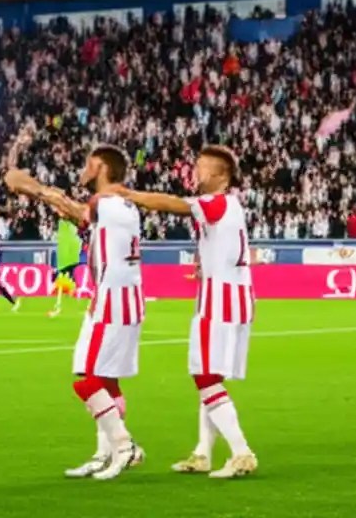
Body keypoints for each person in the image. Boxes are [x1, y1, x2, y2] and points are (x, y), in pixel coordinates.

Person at [107, 145, 258, 479]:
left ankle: (241, 452)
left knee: (204, 376)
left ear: (222, 176)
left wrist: (129, 193)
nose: (196, 172)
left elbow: (173, 205)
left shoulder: (216, 203)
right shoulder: (227, 206)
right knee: (210, 376)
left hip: (221, 301)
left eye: (203, 168)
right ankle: (203, 452)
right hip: (228, 296)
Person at [4, 144, 145, 481]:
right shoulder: (118, 208)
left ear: (100, 167)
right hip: (119, 300)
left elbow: (66, 205)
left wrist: (29, 185)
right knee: (105, 379)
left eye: (87, 163)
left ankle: (124, 447)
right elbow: (73, 213)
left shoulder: (107, 203)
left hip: (112, 301)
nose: (83, 168)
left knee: (89, 380)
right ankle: (105, 452)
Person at [49, 217, 84, 317]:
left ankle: (62, 305)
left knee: (64, 282)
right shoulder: (71, 227)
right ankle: (67, 304)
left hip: (67, 260)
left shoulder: (66, 226)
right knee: (68, 282)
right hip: (70, 259)